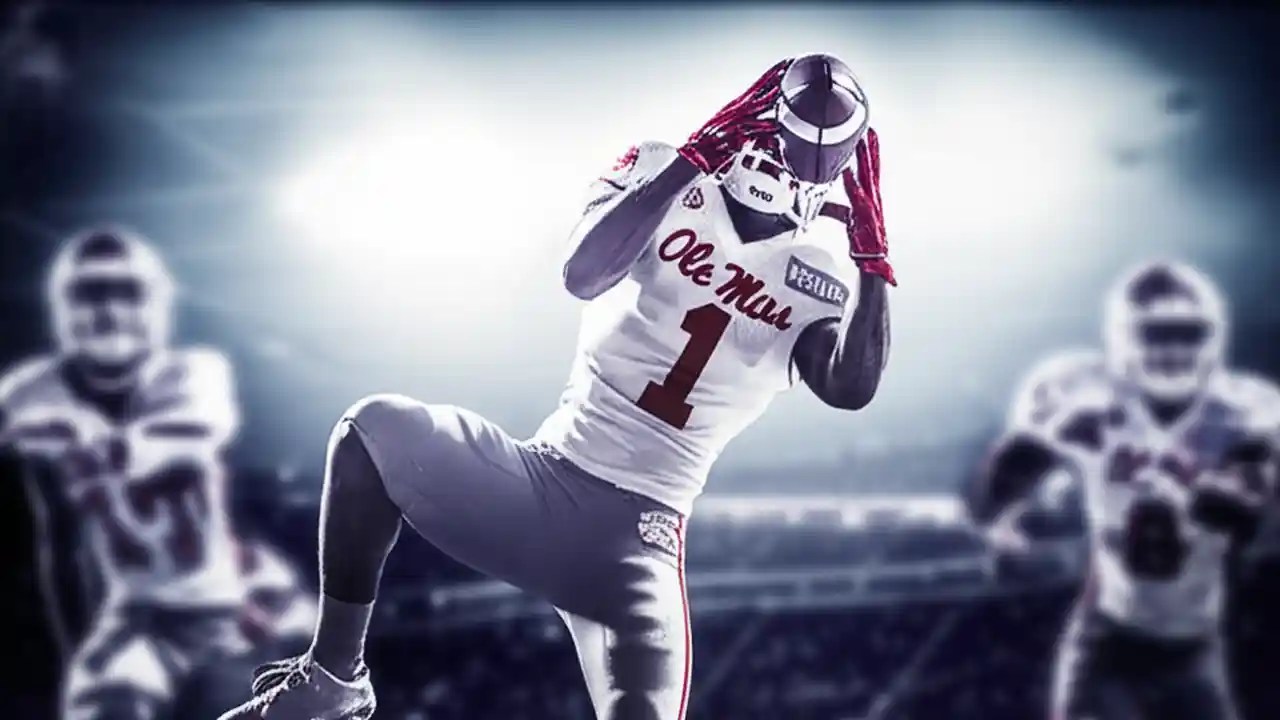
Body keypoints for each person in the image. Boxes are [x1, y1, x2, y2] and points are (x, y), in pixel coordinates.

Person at [221, 52, 893, 720]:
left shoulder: (818, 272)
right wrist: (690, 160)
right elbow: (583, 273)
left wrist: (872, 259)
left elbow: (849, 389)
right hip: (543, 477)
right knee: (372, 432)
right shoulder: (661, 172)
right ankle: (335, 676)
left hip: (640, 543)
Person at [967, 261, 1279, 720]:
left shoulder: (1241, 412)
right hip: (1107, 638)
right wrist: (999, 519)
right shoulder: (1083, 396)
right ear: (1122, 337)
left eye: (1189, 333)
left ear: (1214, 338)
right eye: (1157, 332)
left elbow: (1246, 498)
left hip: (1193, 646)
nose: (1174, 349)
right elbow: (1010, 468)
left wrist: (1227, 494)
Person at [0, 226, 247, 720]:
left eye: (128, 293)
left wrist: (79, 439)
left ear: (159, 305)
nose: (110, 311)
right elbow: (61, 536)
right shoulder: (29, 393)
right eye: (90, 293)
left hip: (232, 604)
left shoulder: (195, 374)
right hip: (137, 612)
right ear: (61, 307)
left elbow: (166, 449)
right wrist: (78, 648)